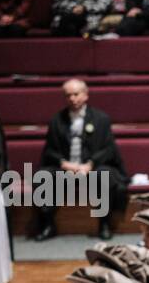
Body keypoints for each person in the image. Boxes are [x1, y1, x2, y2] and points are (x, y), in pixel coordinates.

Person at [38, 78, 128, 241]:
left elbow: (109, 149)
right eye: (68, 95)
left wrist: (90, 165)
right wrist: (64, 164)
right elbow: (49, 150)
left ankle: (104, 223)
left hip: (92, 167)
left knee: (105, 175)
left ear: (86, 95)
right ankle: (48, 224)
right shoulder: (57, 120)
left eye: (76, 94)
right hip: (66, 168)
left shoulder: (101, 119)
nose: (72, 99)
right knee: (44, 175)